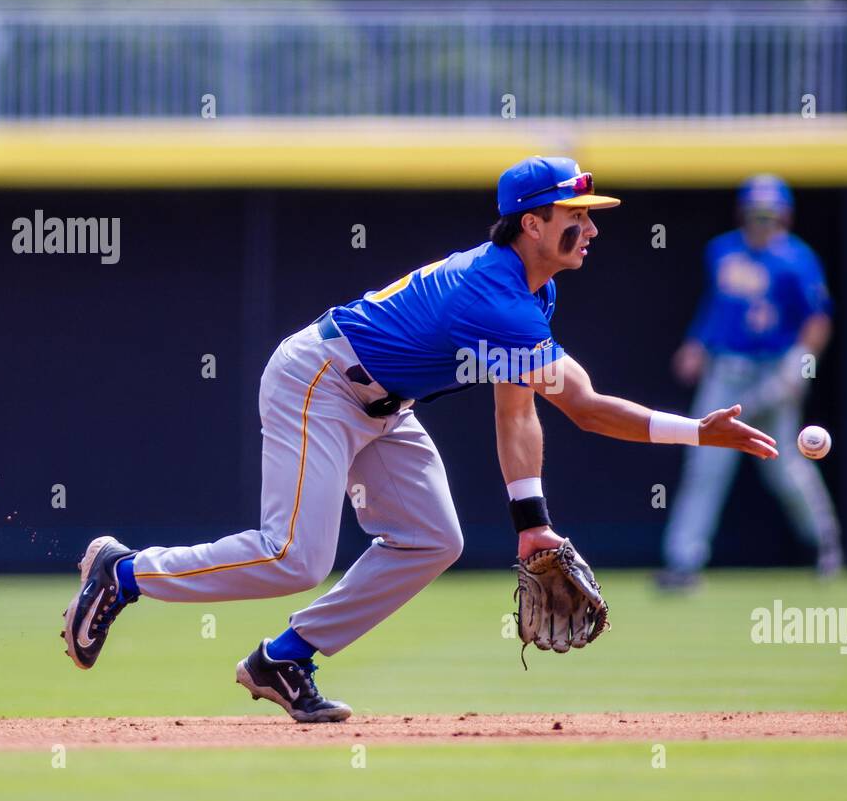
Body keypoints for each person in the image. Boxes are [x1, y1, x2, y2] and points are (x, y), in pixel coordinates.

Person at [61, 157, 779, 722]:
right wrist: (541, 520)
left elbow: (549, 406)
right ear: (530, 223)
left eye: (592, 217)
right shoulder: (495, 293)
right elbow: (553, 411)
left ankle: (284, 658)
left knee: (434, 536)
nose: (591, 229)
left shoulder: (531, 288)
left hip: (384, 403)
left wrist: (687, 436)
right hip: (320, 379)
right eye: (576, 215)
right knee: (294, 555)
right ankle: (123, 573)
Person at [659, 175, 843, 590]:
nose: (762, 222)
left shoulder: (798, 259)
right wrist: (697, 344)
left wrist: (800, 364)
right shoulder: (722, 251)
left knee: (786, 466)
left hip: (772, 369)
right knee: (705, 463)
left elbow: (817, 320)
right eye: (756, 214)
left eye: (769, 214)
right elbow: (718, 306)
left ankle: (823, 543)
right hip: (727, 371)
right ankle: (683, 562)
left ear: (783, 215)